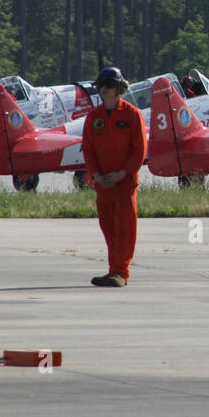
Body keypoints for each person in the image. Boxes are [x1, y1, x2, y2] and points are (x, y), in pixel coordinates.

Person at [80, 66, 148, 287]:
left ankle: (121, 272)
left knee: (124, 227)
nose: (104, 90)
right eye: (101, 85)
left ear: (119, 88)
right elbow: (88, 148)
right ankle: (113, 270)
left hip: (124, 183)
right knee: (108, 227)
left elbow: (140, 150)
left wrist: (121, 174)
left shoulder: (132, 114)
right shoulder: (93, 117)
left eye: (109, 85)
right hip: (103, 183)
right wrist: (96, 175)